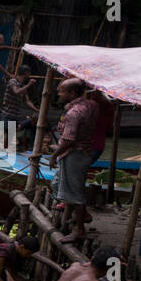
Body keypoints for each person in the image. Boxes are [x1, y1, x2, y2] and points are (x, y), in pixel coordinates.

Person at [48, 78, 99, 242]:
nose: (59, 94)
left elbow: (69, 139)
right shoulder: (91, 105)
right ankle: (73, 218)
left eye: (61, 91)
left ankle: (79, 230)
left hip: (74, 154)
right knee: (72, 188)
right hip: (85, 152)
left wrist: (54, 155)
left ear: (72, 93)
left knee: (75, 193)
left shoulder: (74, 113)